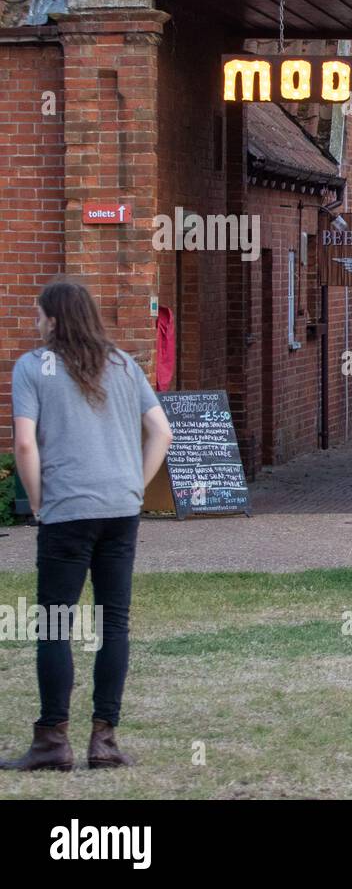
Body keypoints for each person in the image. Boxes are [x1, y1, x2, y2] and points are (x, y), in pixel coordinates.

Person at [2, 280, 173, 771]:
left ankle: (53, 739)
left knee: (56, 623)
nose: (36, 325)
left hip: (68, 508)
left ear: (54, 320)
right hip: (120, 508)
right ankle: (105, 739)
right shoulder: (122, 363)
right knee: (113, 620)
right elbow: (162, 431)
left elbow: (26, 445)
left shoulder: (33, 368)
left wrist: (37, 501)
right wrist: (134, 487)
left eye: (39, 317)